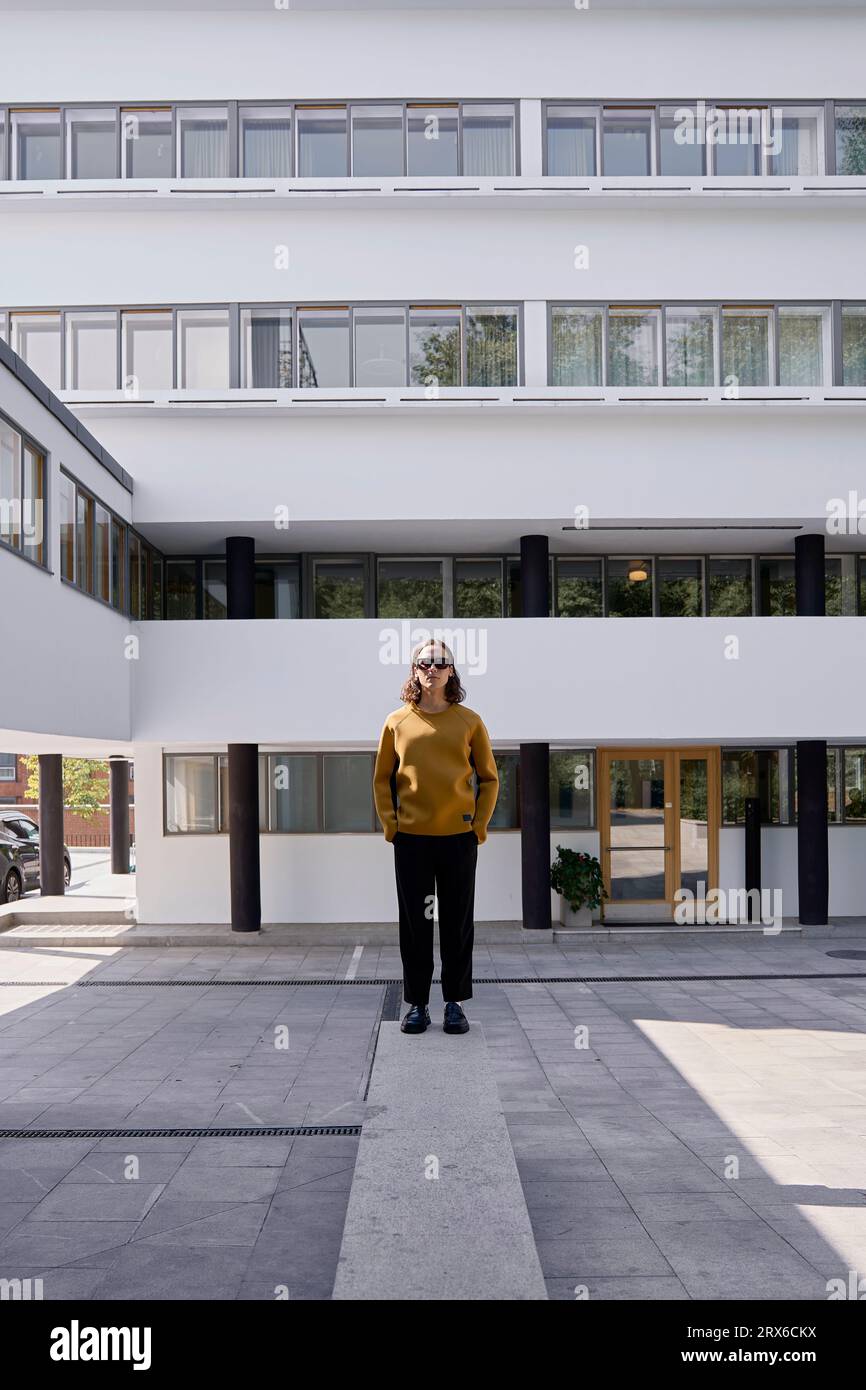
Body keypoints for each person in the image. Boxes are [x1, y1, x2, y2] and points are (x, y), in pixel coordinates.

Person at [373, 639, 499, 1036]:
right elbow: (382, 780)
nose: (432, 668)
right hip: (411, 839)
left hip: (458, 838)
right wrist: (392, 825)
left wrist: (477, 826)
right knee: (414, 925)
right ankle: (417, 1005)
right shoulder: (396, 721)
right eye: (424, 663)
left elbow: (489, 778)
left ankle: (454, 1003)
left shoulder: (470, 721)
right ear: (414, 671)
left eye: (440, 663)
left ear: (451, 672)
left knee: (457, 923)